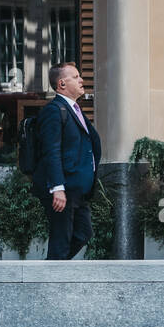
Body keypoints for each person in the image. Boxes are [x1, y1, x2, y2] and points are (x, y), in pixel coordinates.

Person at [32, 62, 104, 260]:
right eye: (76, 77)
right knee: (61, 241)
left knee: (83, 233)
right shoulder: (55, 110)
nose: (82, 80)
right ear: (62, 84)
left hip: (77, 190)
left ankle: (54, 268)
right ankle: (52, 280)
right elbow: (51, 151)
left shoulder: (74, 109)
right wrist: (57, 187)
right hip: (64, 188)